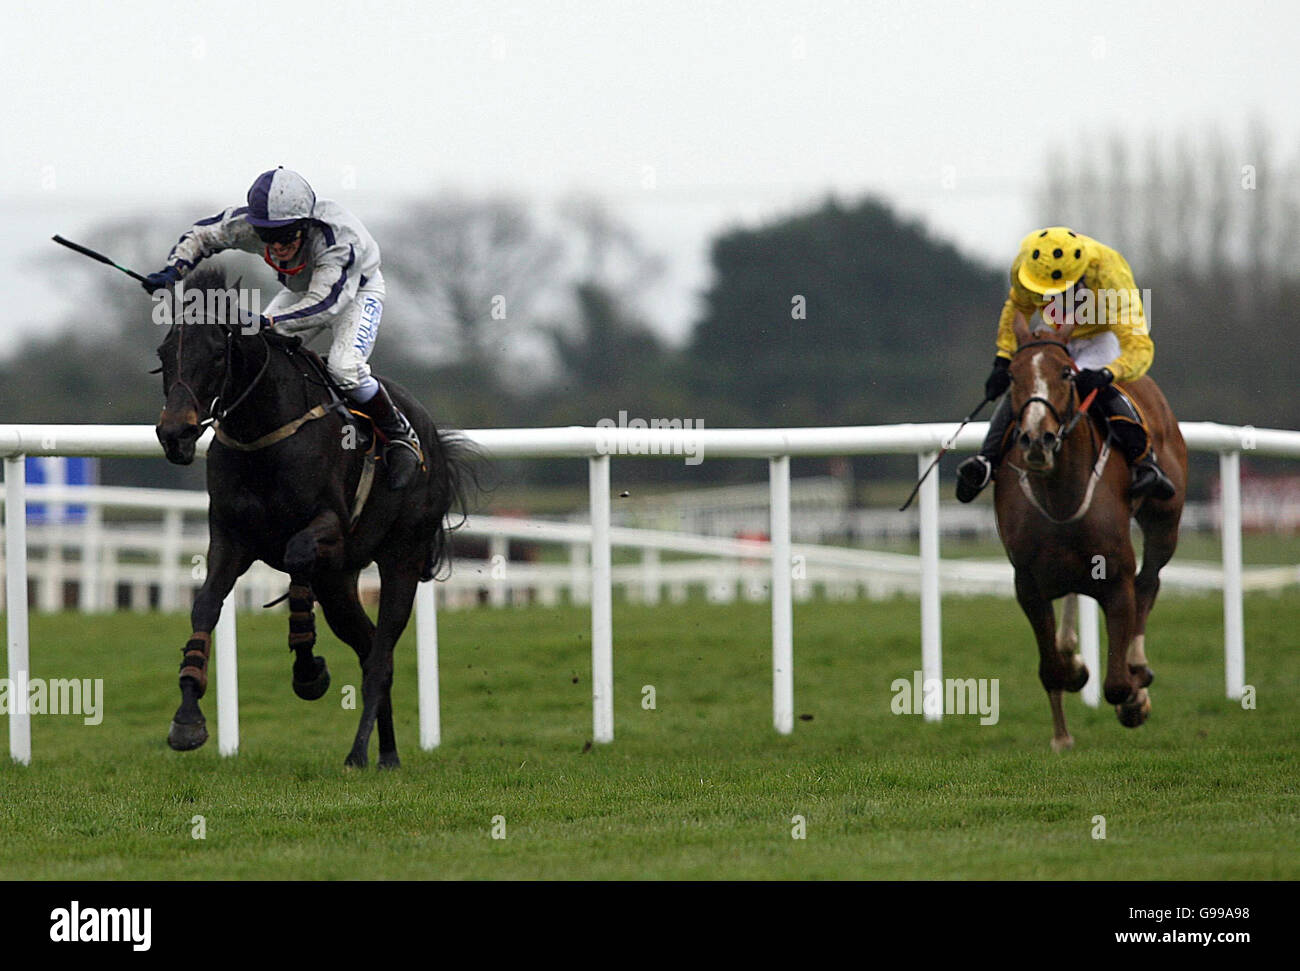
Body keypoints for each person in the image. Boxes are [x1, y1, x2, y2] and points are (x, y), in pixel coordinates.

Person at [142, 167, 423, 489]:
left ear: (305, 225)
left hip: (355, 291)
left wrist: (269, 321)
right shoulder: (247, 224)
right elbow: (203, 235)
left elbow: (325, 304)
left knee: (345, 368)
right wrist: (173, 270)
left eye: (286, 234)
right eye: (267, 235)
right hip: (301, 288)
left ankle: (401, 436)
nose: (276, 245)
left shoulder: (338, 241)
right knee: (260, 351)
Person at [955, 226, 1176, 503]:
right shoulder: (1025, 264)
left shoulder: (1109, 271)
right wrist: (1003, 359)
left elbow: (1138, 346)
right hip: (1058, 331)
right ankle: (986, 461)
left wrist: (1108, 373)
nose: (1051, 296)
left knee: (1092, 383)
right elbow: (1017, 308)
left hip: (1102, 333)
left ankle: (1145, 461)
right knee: (1032, 383)